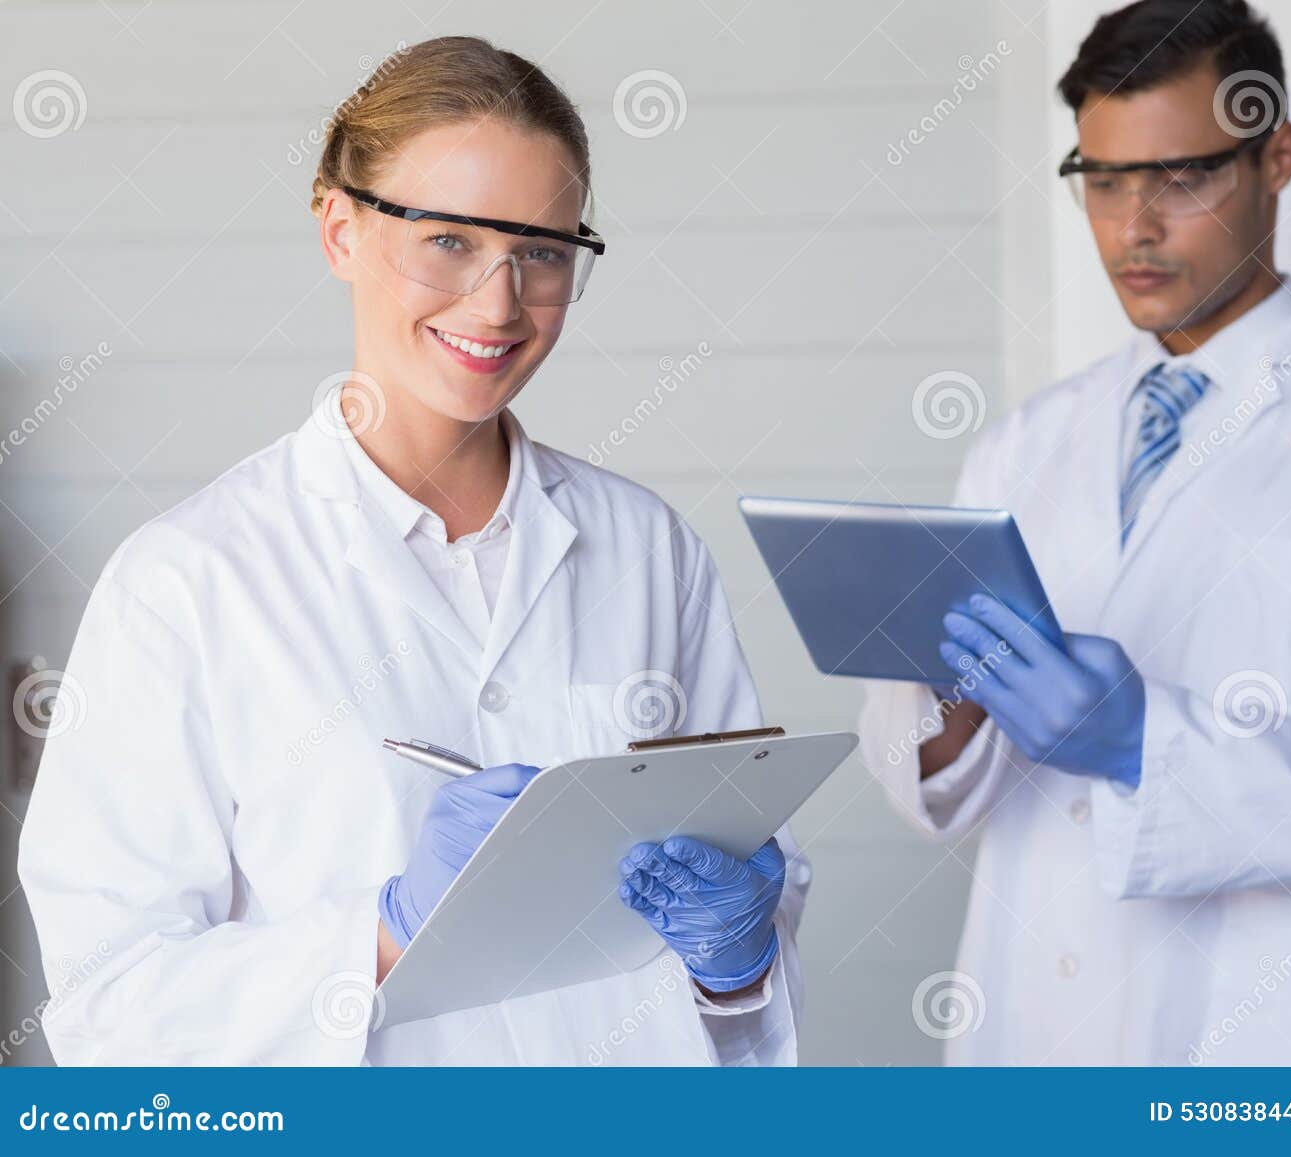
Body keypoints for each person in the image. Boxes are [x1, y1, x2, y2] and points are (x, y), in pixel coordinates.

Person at [19, 36, 804, 1066]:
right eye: (449, 241)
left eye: (544, 250)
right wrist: (385, 931)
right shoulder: (189, 582)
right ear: (339, 229)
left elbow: (736, 946)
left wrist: (736, 958)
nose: (498, 302)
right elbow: (106, 1011)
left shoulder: (647, 549)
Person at [859, 0, 1291, 1065]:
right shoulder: (1024, 442)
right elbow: (922, 775)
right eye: (1104, 180)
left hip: (1268, 1034)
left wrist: (1141, 741)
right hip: (1030, 1018)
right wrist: (948, 705)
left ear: (1277, 157)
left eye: (1181, 176)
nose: (1133, 227)